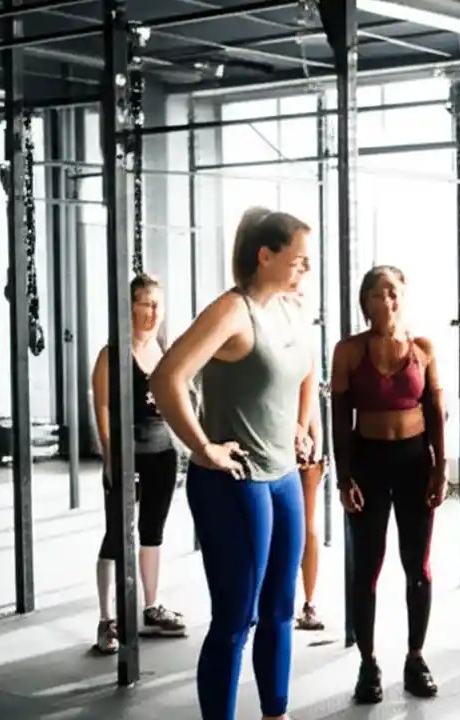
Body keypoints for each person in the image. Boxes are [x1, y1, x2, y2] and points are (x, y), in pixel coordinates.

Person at [150, 208, 318, 720]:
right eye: (298, 259)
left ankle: (275, 714)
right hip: (234, 483)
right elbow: (167, 377)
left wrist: (301, 426)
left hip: (283, 476)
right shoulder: (231, 312)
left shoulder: (291, 308)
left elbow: (306, 368)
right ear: (265, 256)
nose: (306, 268)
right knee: (236, 619)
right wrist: (203, 448)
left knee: (280, 610)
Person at [330, 265, 448, 705]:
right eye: (377, 294)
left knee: (417, 564)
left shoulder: (423, 348)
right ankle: (368, 663)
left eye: (393, 293)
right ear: (364, 302)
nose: (387, 302)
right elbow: (340, 420)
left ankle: (416, 657)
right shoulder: (348, 351)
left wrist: (440, 469)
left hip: (414, 464)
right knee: (367, 567)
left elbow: (436, 412)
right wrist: (344, 478)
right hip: (368, 465)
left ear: (404, 297)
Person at [91, 273, 187, 655]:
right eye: (146, 303)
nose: (153, 312)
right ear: (130, 307)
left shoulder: (164, 351)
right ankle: (107, 619)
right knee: (117, 534)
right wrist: (110, 456)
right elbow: (102, 407)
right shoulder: (111, 355)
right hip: (126, 456)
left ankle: (151, 606)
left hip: (162, 455)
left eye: (157, 305)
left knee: (152, 531)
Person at [296, 409, 327, 629]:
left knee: (306, 527)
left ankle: (309, 601)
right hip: (304, 438)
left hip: (294, 440)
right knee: (307, 525)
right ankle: (309, 603)